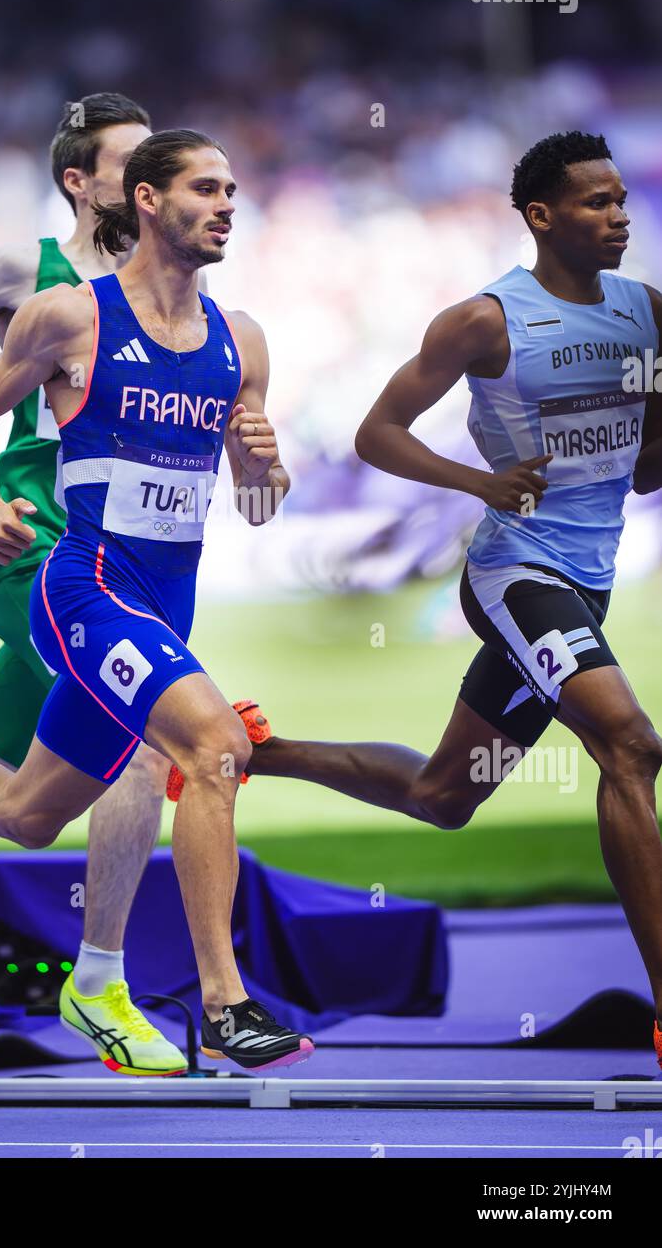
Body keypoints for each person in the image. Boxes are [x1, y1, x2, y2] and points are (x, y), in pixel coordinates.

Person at [0, 129, 314, 1072]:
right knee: (209, 745)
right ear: (142, 198)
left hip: (166, 599)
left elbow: (255, 497)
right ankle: (215, 998)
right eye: (208, 187)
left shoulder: (242, 340)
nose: (230, 203)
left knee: (26, 810)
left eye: (236, 187)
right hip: (77, 581)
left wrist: (262, 471)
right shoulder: (67, 312)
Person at [179, 130, 662, 1069]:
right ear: (541, 216)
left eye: (621, 201)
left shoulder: (647, 312)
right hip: (516, 573)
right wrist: (482, 484)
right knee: (631, 744)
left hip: (588, 581)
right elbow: (377, 433)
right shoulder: (485, 322)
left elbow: (646, 467)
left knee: (446, 796)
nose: (619, 215)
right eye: (597, 203)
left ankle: (254, 749)